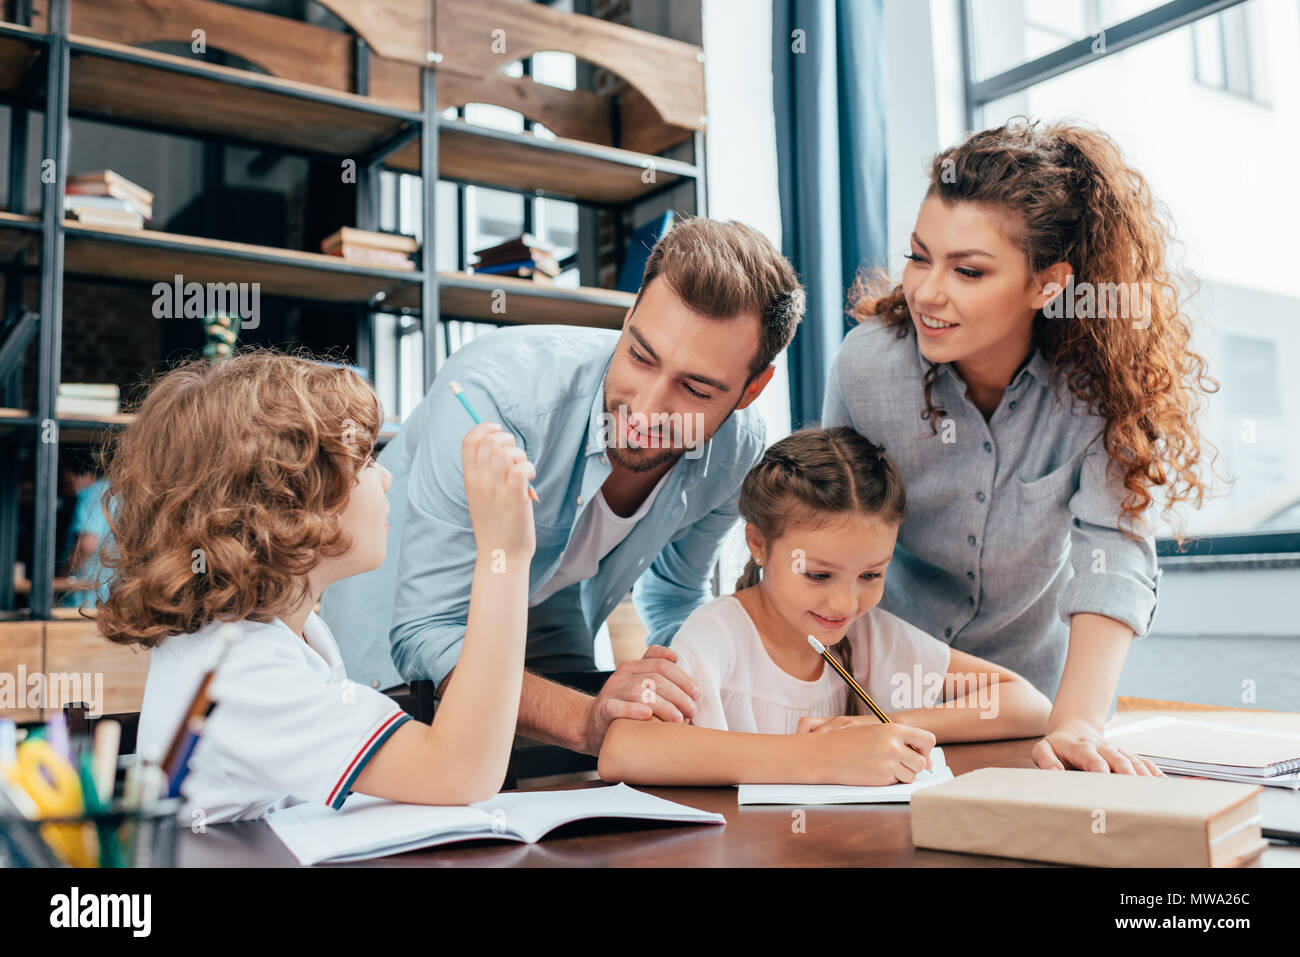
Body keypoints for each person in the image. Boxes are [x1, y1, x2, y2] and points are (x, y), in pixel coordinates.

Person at [322, 216, 807, 758]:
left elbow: (675, 597)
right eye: (640, 356)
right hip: (404, 625)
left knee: (585, 775)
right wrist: (588, 720)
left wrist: (704, 698)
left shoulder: (738, 448)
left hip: (548, 604)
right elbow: (428, 631)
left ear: (751, 388)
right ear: (628, 318)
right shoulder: (497, 397)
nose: (644, 410)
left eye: (695, 388)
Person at [822, 118, 1214, 774]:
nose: (926, 292)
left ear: (1047, 284)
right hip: (878, 711)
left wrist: (1079, 722)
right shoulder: (866, 367)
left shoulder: (1098, 391)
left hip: (1028, 717)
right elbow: (818, 527)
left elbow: (1112, 554)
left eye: (968, 270)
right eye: (920, 256)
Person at [99, 350, 537, 822]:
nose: (387, 477)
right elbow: (460, 770)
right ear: (287, 503)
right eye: (367, 460)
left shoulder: (290, 631)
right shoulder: (242, 670)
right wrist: (504, 556)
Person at [598, 427, 1053, 786]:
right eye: (818, 575)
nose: (846, 602)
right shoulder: (719, 634)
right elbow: (624, 750)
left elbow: (1028, 704)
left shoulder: (868, 633)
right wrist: (820, 758)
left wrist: (880, 726)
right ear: (759, 544)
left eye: (871, 575)